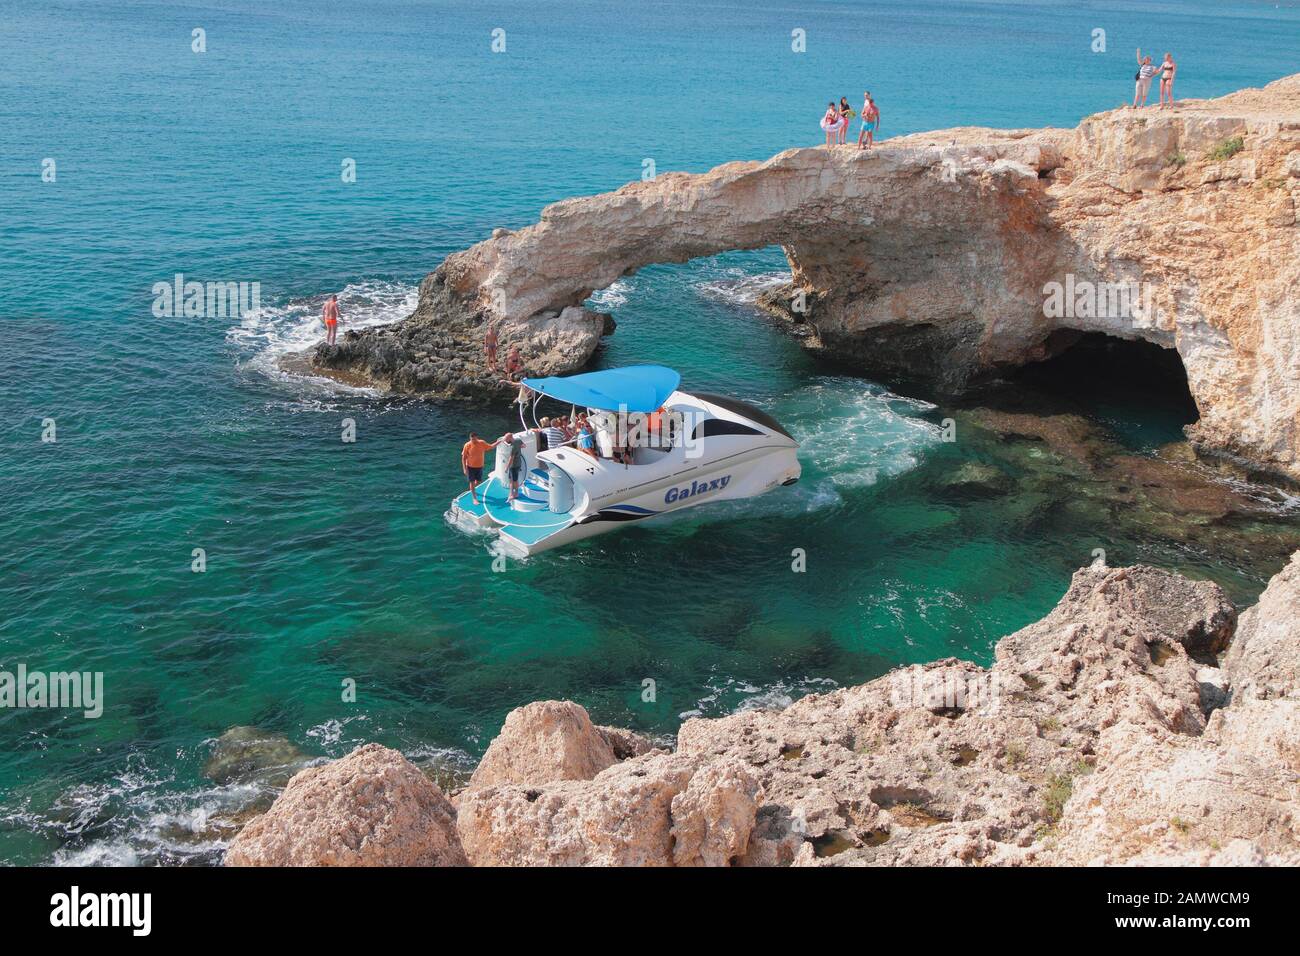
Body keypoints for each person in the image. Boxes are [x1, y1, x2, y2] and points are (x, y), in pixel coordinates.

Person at [460, 430, 500, 504]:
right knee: (471, 482)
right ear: (470, 438)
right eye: (472, 439)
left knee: (478, 481)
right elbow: (463, 458)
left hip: (479, 466)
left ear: (477, 438)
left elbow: (491, 447)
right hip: (470, 466)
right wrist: (464, 469)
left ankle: (472, 490)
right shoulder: (467, 445)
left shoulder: (481, 443)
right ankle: (474, 498)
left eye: (474, 439)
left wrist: (499, 442)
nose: (473, 441)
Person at [502, 432, 526, 501]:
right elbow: (524, 446)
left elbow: (511, 459)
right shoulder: (518, 440)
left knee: (514, 480)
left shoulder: (513, 447)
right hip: (518, 463)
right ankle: (511, 493)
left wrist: (506, 468)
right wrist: (519, 448)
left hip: (514, 465)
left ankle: (515, 493)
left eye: (506, 438)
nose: (505, 440)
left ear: (510, 438)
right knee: (511, 479)